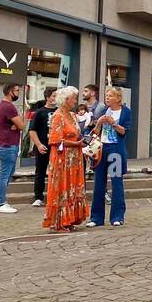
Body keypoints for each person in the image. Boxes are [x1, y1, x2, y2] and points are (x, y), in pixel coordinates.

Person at [43, 86, 88, 232]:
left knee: (72, 188)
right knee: (62, 188)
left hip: (74, 158)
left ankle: (69, 219)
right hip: (62, 159)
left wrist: (83, 141)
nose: (75, 101)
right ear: (66, 100)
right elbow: (55, 140)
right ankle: (58, 222)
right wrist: (75, 143)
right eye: (74, 98)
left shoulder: (72, 116)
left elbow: (76, 133)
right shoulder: (58, 116)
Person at [87, 85, 130, 228]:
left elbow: (125, 132)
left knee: (117, 182)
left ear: (118, 99)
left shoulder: (125, 112)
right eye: (106, 95)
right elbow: (95, 133)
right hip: (101, 149)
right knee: (99, 183)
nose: (107, 98)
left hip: (116, 150)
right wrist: (98, 123)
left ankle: (117, 216)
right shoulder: (102, 110)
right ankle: (96, 218)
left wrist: (114, 124)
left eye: (110, 95)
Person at [0, 82, 25, 214]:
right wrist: (18, 124)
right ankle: (1, 203)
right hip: (8, 144)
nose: (18, 93)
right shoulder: (9, 107)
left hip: (6, 144)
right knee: (5, 174)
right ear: (10, 91)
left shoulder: (2, 105)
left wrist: (16, 125)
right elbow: (22, 125)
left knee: (7, 174)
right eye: (17, 91)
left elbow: (17, 125)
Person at [28, 86, 56, 208]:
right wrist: (38, 145)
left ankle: (54, 195)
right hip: (43, 145)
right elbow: (32, 130)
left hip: (56, 146)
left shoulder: (60, 111)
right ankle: (38, 196)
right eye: (54, 96)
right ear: (48, 97)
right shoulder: (40, 112)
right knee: (40, 171)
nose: (56, 98)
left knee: (55, 172)